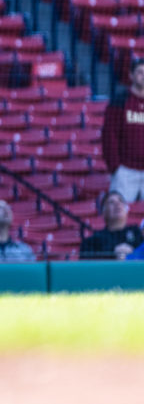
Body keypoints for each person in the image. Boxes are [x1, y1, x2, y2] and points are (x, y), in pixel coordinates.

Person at [102, 58, 144, 201]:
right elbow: (109, 136)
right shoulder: (120, 100)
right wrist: (115, 168)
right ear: (131, 76)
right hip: (125, 171)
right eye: (139, 72)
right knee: (119, 215)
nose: (143, 76)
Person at [80, 191, 143, 260]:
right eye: (111, 202)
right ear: (103, 212)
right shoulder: (93, 242)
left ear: (127, 210)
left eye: (121, 201)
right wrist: (112, 255)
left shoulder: (138, 234)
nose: (118, 204)